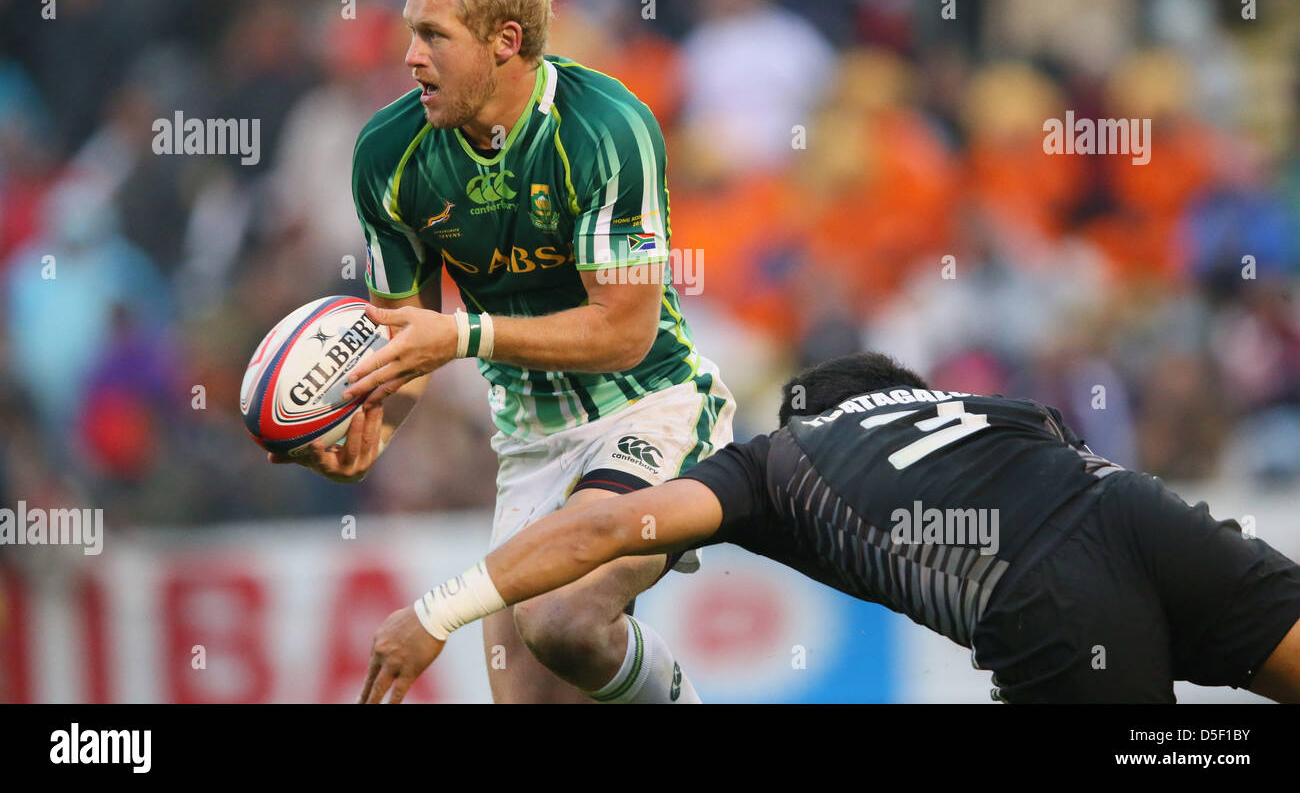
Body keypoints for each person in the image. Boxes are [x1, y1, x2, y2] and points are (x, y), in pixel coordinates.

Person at [270, 0, 735, 704]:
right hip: (530, 440)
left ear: (503, 41)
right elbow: (405, 340)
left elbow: (625, 331)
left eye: (432, 35)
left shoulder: (603, 128)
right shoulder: (388, 155)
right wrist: (368, 432)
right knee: (523, 692)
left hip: (652, 410)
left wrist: (462, 335)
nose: (409, 56)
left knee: (562, 621)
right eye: (410, 32)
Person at [360, 351, 1300, 704]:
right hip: (1135, 509)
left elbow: (598, 534)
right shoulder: (987, 402)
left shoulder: (773, 460)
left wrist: (441, 611)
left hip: (1040, 594)